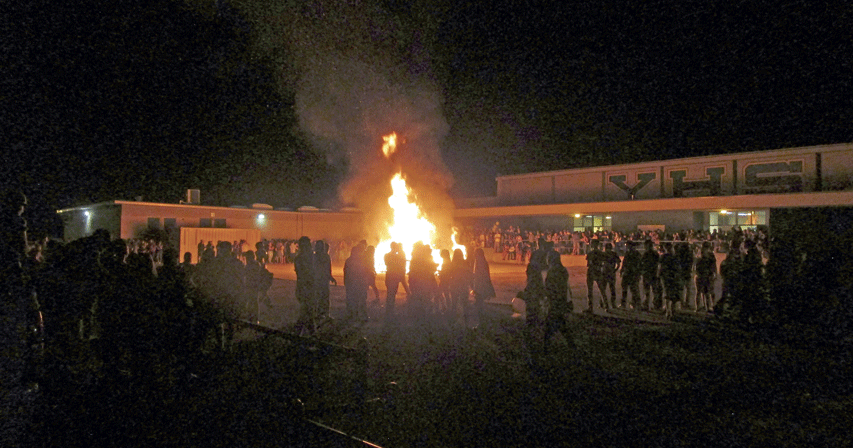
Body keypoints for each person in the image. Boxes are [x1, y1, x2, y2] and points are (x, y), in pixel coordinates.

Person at [544, 251, 573, 352]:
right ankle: (570, 344)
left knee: (551, 323)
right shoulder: (562, 270)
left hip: (555, 300)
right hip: (561, 300)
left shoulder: (553, 271)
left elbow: (549, 286)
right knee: (560, 323)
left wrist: (547, 297)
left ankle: (545, 345)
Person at [294, 236, 316, 333]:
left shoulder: (300, 258)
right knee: (307, 310)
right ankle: (303, 330)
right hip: (305, 287)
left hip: (305, 286)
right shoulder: (303, 258)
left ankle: (305, 330)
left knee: (307, 310)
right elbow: (305, 272)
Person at [383, 242, 409, 320]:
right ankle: (390, 313)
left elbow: (387, 264)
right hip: (394, 276)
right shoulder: (397, 257)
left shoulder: (386, 255)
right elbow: (400, 265)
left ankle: (389, 312)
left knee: (390, 294)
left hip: (389, 276)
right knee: (392, 294)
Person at [471, 247, 496, 326]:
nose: (474, 255)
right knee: (479, 302)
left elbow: (482, 276)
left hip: (480, 286)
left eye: (475, 253)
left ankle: (481, 322)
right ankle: (481, 321)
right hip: (479, 286)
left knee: (479, 302)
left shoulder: (481, 262)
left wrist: (476, 287)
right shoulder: (480, 261)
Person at [314, 240, 336, 322]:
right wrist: (330, 277)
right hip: (321, 281)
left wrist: (331, 278)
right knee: (322, 298)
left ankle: (322, 314)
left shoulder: (317, 257)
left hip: (321, 280)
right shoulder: (324, 257)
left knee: (322, 298)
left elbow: (328, 269)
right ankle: (322, 314)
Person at [344, 245, 367, 321]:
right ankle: (352, 314)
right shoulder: (353, 260)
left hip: (354, 282)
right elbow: (346, 271)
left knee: (353, 299)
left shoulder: (350, 260)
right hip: (352, 282)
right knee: (353, 299)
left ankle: (352, 314)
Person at [659, 242, 681, 320]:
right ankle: (670, 311)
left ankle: (669, 311)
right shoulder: (674, 257)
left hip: (667, 278)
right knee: (671, 295)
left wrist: (660, 275)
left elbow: (661, 268)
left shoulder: (664, 257)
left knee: (668, 295)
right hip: (671, 278)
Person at [585, 239, 607, 312]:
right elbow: (604, 263)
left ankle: (590, 307)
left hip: (591, 272)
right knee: (602, 290)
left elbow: (588, 264)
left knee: (590, 290)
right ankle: (606, 306)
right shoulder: (601, 253)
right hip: (598, 271)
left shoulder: (590, 253)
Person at [694, 241, 717, 312]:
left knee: (701, 292)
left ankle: (700, 307)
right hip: (705, 275)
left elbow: (695, 266)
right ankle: (707, 307)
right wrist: (714, 273)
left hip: (701, 275)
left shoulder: (699, 254)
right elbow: (713, 266)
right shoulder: (709, 255)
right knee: (705, 292)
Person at [620, 240, 642, 310]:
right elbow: (624, 262)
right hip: (628, 273)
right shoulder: (628, 253)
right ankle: (625, 303)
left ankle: (634, 303)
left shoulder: (636, 254)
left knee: (633, 289)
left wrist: (638, 273)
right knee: (625, 288)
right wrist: (622, 270)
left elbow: (639, 264)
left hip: (633, 273)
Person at [640, 239, 662, 311]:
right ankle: (655, 305)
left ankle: (646, 305)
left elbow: (642, 263)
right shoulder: (655, 254)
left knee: (647, 290)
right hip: (653, 274)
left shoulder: (646, 254)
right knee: (654, 290)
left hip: (647, 273)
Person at [601, 242, 621, 309]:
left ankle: (603, 303)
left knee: (603, 289)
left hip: (605, 273)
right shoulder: (614, 254)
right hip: (611, 273)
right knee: (612, 289)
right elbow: (618, 264)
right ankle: (613, 304)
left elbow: (600, 263)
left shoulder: (603, 254)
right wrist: (615, 270)